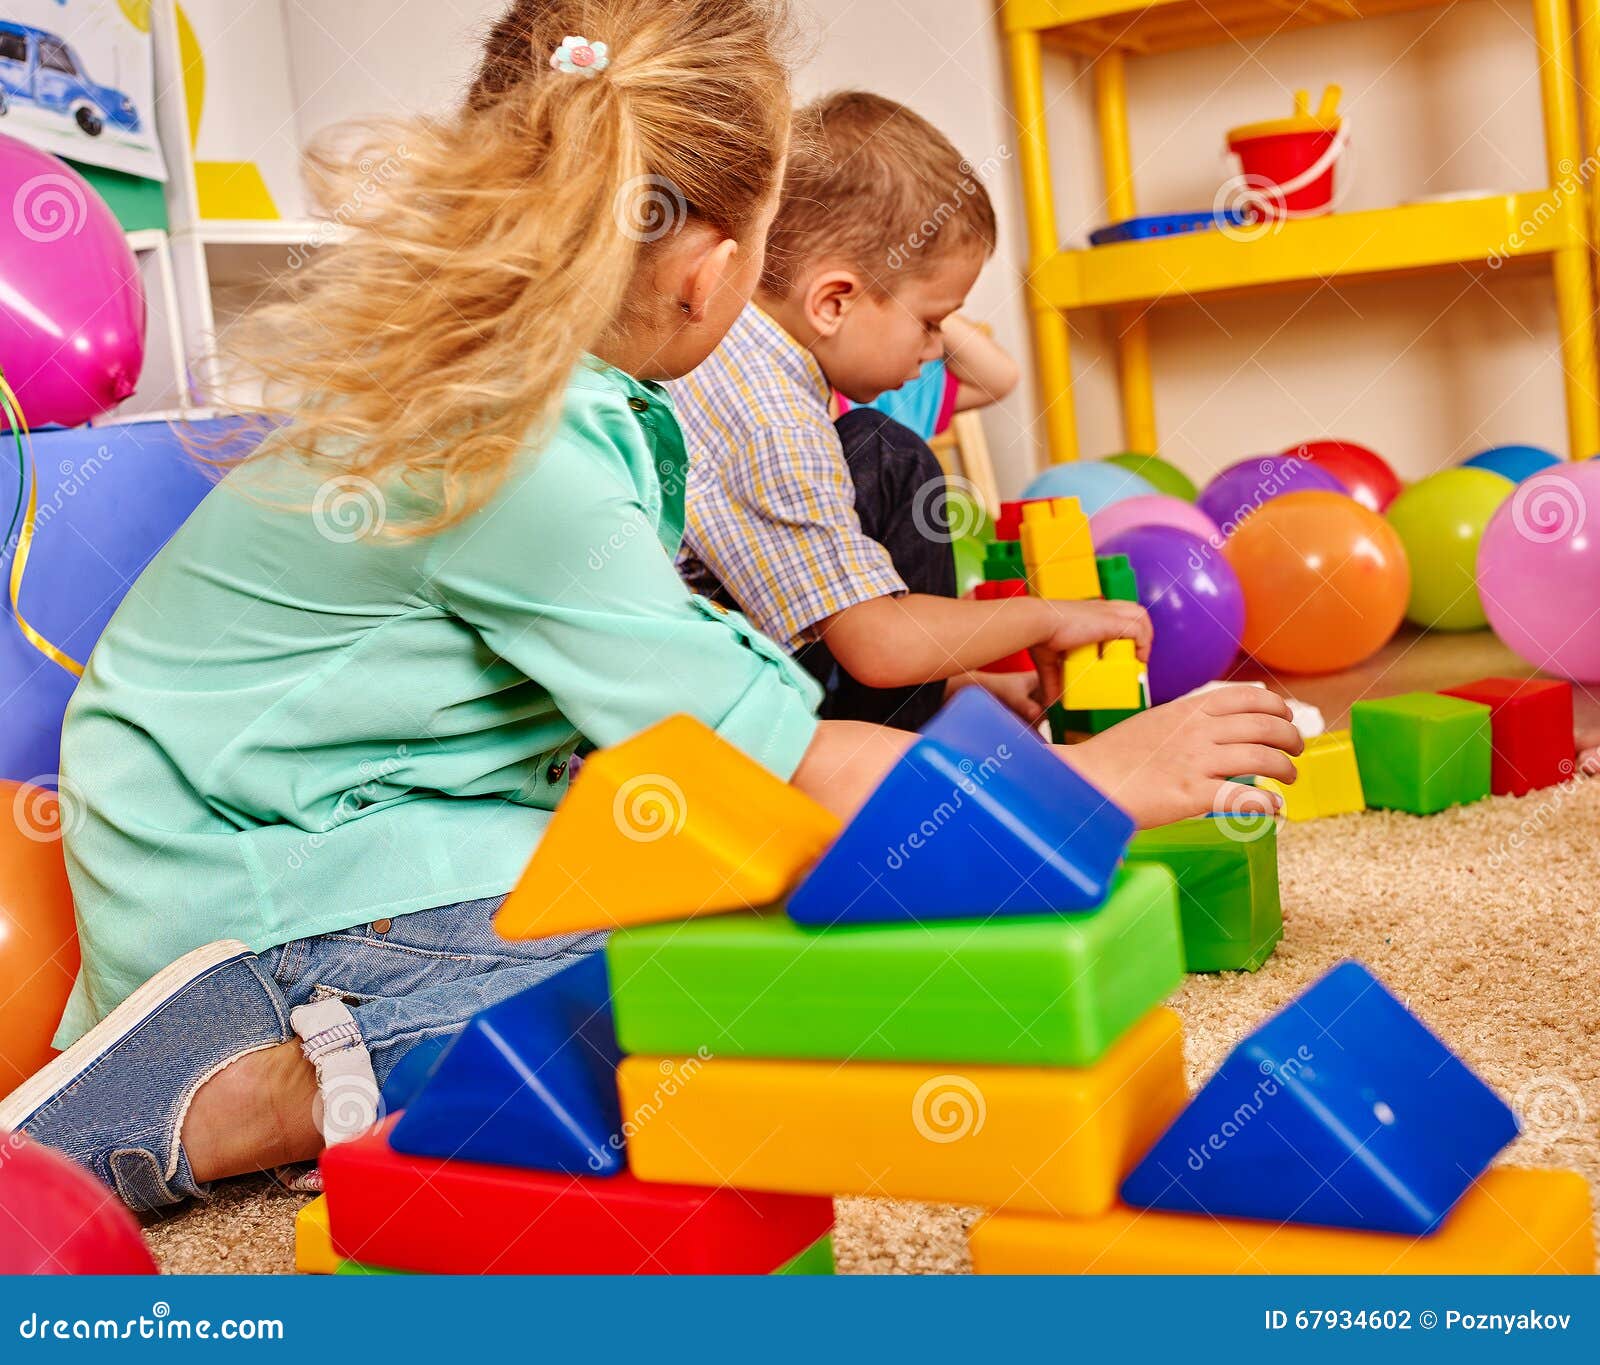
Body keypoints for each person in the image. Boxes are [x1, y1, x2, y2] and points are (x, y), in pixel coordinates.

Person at [0, 0, 1301, 1212]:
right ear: (713, 270)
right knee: (691, 1016)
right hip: (254, 873)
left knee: (753, 913)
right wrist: (1087, 783)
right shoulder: (517, 450)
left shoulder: (547, 397)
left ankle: (355, 1029)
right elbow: (769, 761)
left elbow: (701, 729)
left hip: (393, 819)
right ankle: (248, 1084)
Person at [673, 92, 1122, 730]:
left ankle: (923, 702)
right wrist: (1049, 617)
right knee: (891, 455)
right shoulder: (773, 421)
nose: (936, 349)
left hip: (706, 674)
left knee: (872, 447)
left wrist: (964, 681)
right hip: (699, 724)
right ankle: (894, 746)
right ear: (833, 302)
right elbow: (876, 647)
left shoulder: (732, 350)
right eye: (932, 322)